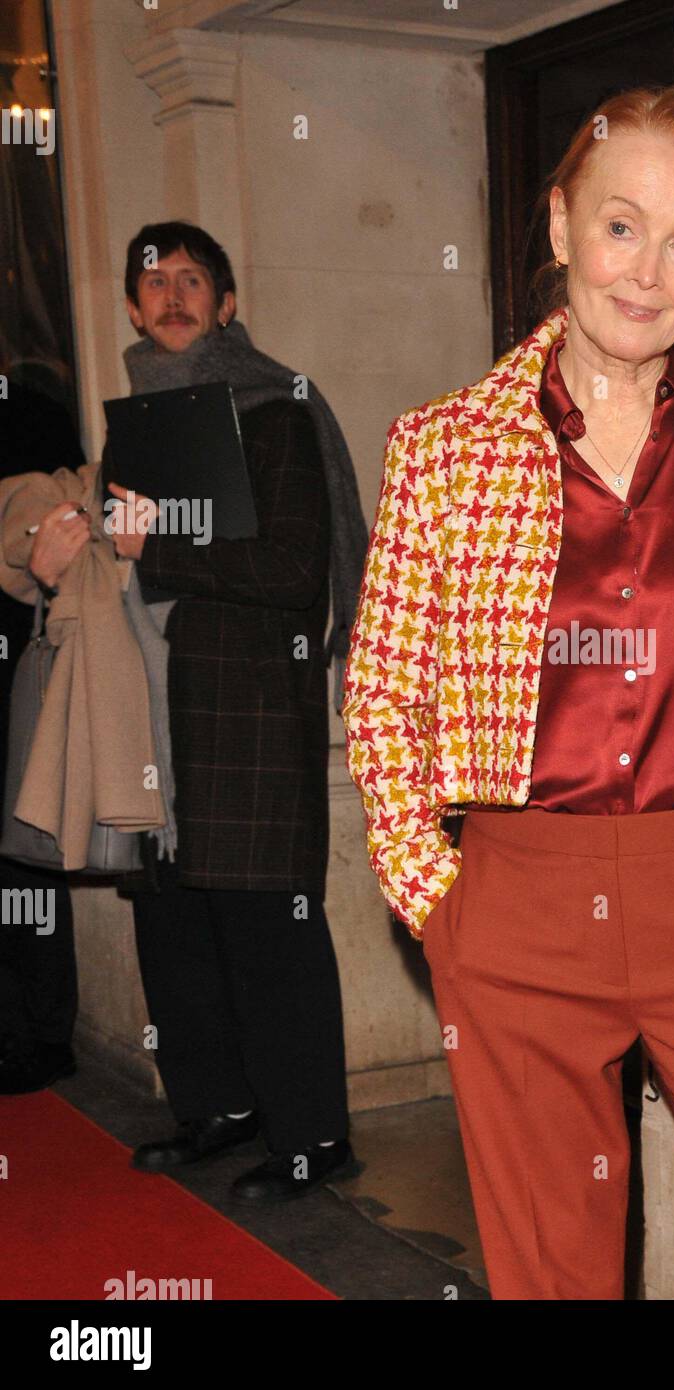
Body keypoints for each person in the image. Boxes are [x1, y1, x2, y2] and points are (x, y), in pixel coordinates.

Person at [343, 86, 674, 1297]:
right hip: (520, 903)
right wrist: (438, 897)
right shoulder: (442, 447)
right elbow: (384, 691)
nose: (647, 272)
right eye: (621, 225)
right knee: (554, 1276)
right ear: (559, 227)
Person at [27, 221, 368, 1202]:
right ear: (131, 309)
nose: (172, 296)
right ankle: (217, 1108)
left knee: (271, 937)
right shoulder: (131, 428)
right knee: (175, 935)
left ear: (226, 302)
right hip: (151, 722)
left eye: (192, 281)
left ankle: (311, 1139)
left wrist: (156, 548)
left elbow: (296, 570)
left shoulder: (274, 411)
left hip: (252, 712)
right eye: (154, 283)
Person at [0, 371, 81, 1094]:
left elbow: (63, 537)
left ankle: (42, 1034)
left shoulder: (30, 414)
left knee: (23, 852)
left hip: (17, 673)